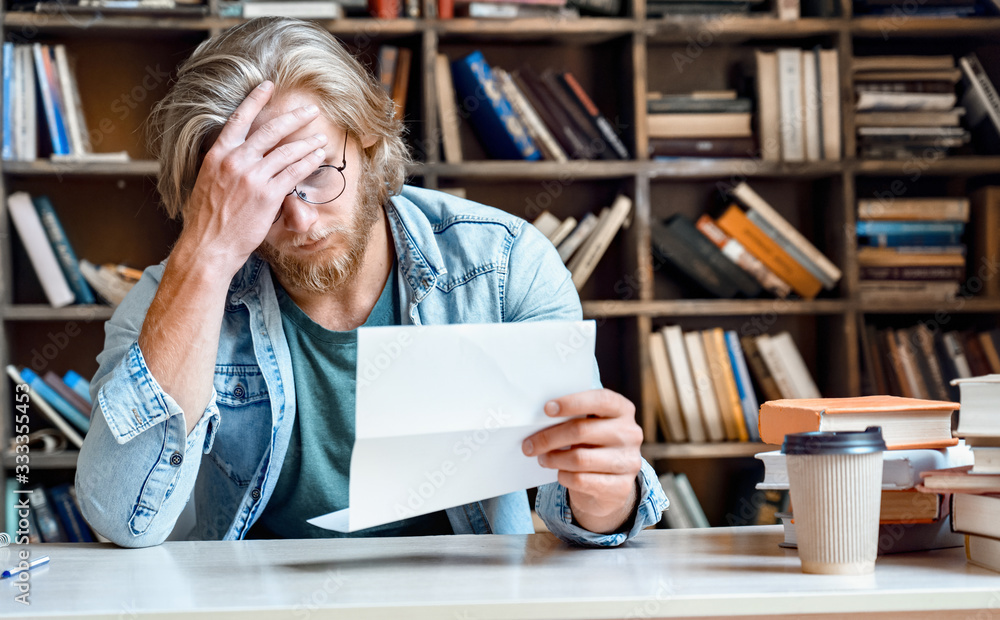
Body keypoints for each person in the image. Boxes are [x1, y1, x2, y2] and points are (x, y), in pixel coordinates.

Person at [75, 16, 667, 548]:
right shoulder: (172, 297)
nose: (301, 219)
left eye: (317, 173)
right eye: (261, 197)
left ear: (367, 143)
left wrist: (608, 503)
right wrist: (205, 256)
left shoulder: (505, 264)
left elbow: (580, 503)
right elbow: (122, 519)